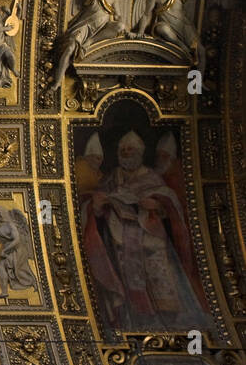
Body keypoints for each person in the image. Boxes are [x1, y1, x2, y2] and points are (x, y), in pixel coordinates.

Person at [82, 130, 211, 330]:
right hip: (121, 240)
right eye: (122, 150)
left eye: (130, 150)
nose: (125, 153)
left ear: (140, 153)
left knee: (159, 281)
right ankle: (134, 323)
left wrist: (157, 205)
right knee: (128, 284)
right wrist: (98, 205)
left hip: (149, 240)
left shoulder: (150, 177)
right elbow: (98, 204)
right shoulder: (113, 178)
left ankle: (168, 324)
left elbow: (170, 204)